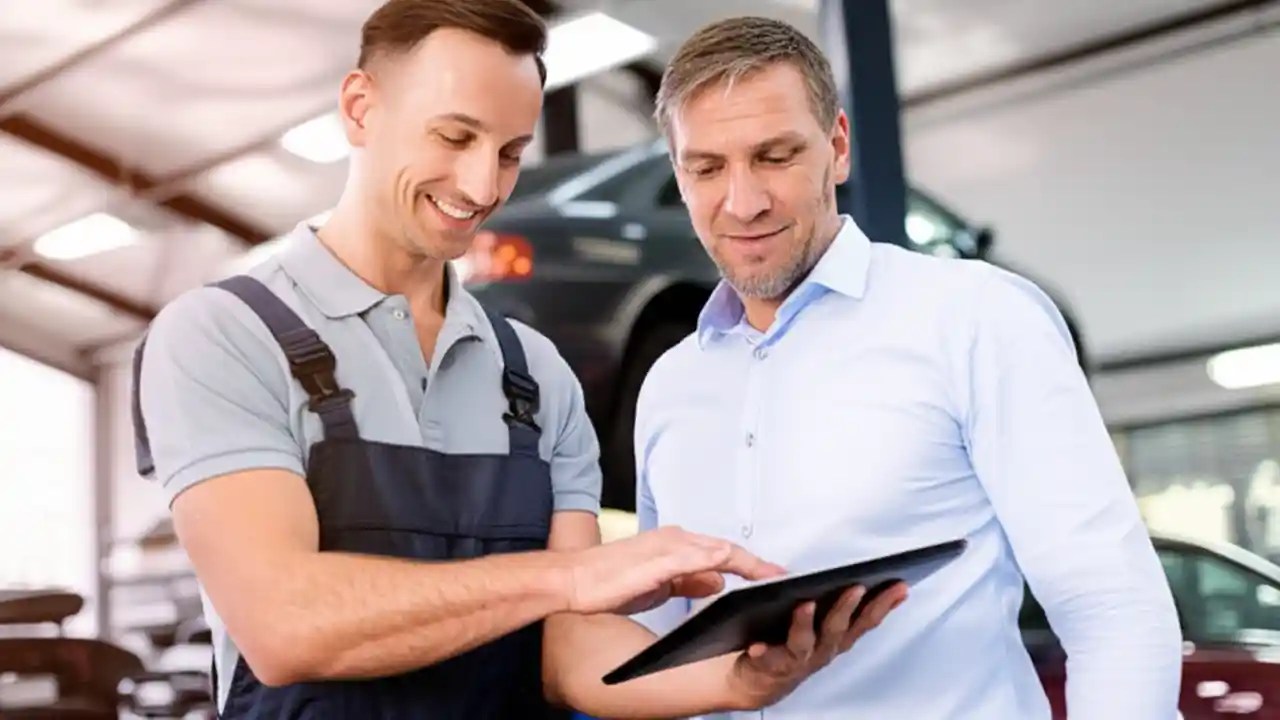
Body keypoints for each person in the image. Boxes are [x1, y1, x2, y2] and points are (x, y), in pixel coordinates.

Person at [129, 2, 904, 718]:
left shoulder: (533, 377)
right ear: (361, 108)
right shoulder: (221, 336)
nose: (481, 185)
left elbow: (572, 654)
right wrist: (569, 576)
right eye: (454, 137)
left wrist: (737, 679)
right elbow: (286, 627)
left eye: (509, 152)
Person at [631, 15, 1184, 719]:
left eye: (774, 156)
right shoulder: (670, 387)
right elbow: (660, 642)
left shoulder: (975, 318)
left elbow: (1112, 607)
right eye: (706, 168)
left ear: (836, 147)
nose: (743, 202)